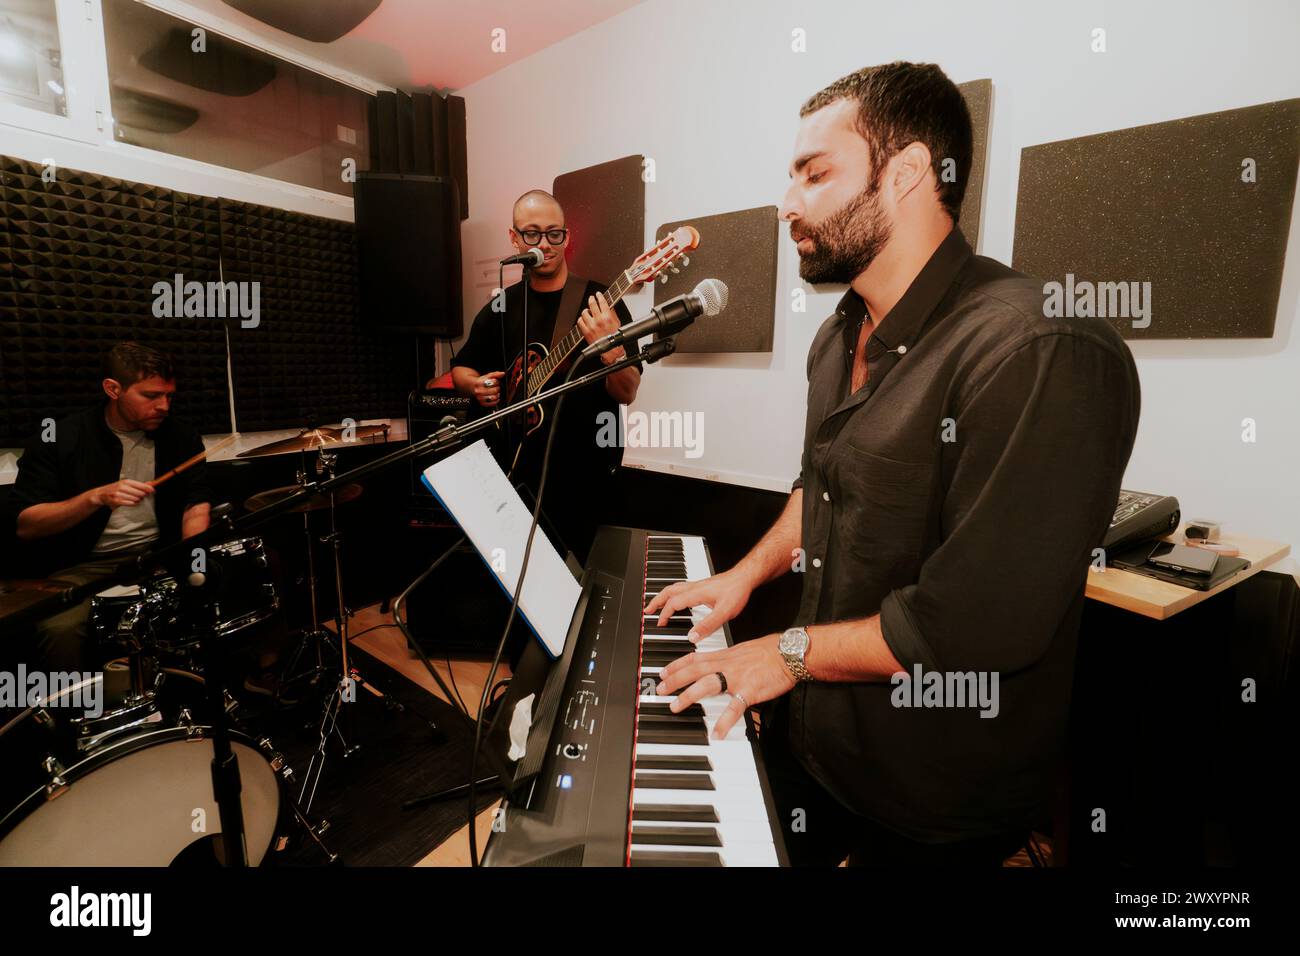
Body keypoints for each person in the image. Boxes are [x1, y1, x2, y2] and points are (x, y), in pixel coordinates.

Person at [646, 62, 1141, 866]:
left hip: (929, 798)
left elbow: (971, 627)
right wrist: (744, 576)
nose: (788, 205)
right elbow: (824, 486)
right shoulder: (838, 337)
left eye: (815, 173)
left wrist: (783, 652)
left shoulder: (1038, 347)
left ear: (907, 172)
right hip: (815, 746)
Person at [450, 189, 641, 563]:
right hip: (516, 475)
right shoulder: (502, 305)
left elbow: (628, 391)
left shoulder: (601, 301)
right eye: (532, 233)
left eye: (554, 233)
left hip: (584, 481)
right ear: (514, 238)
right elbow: (460, 369)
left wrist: (611, 348)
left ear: (567, 237)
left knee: (579, 592)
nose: (545, 243)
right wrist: (476, 385)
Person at [11, 341, 212, 672]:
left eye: (169, 396)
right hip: (82, 566)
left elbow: (196, 503)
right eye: (150, 396)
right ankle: (76, 715)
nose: (164, 406)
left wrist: (195, 557)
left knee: (224, 584)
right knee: (58, 628)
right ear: (113, 388)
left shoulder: (180, 436)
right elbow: (26, 524)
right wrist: (96, 497)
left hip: (158, 555)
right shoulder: (61, 439)